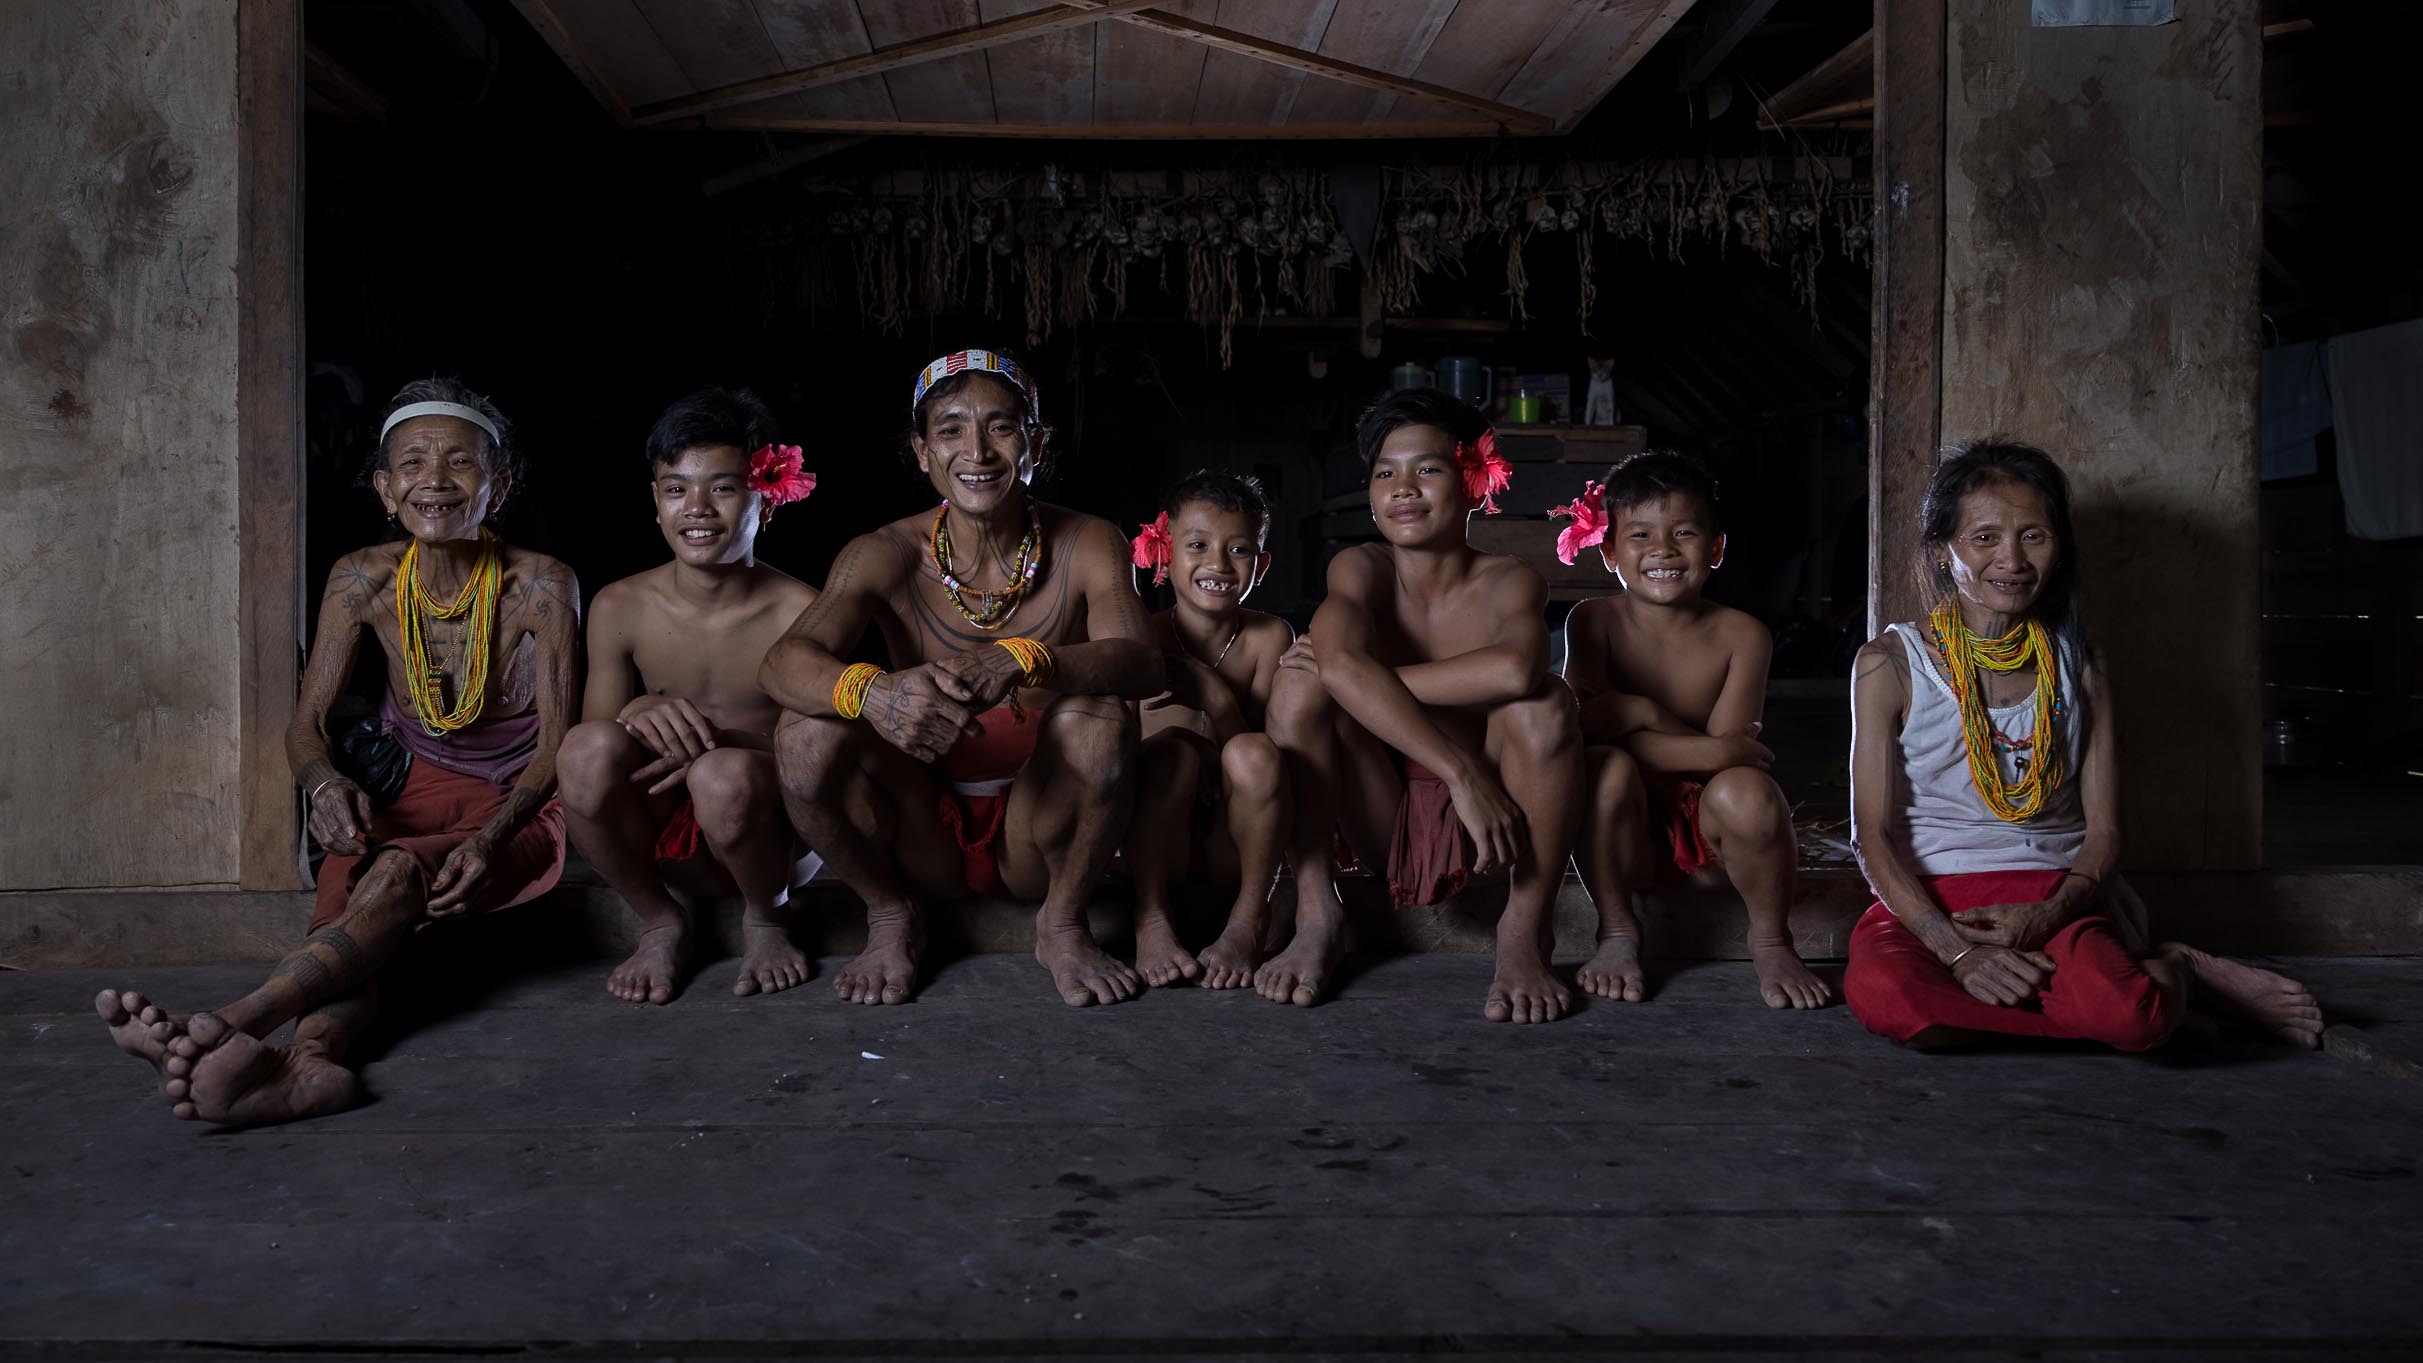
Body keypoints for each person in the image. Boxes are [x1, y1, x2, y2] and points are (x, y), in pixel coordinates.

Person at [96, 378, 578, 1125]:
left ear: (500, 483)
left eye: (460, 462)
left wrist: (491, 838)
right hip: (404, 789)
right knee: (362, 917)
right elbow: (306, 725)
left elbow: (557, 743)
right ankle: (310, 1063)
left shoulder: (542, 585)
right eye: (413, 463)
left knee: (388, 877)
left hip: (513, 806)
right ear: (386, 489)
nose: (436, 481)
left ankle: (231, 1020)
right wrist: (322, 784)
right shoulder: (362, 579)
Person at [1844, 439, 2322, 1051]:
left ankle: (2179, 972)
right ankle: (2140, 990)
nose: (2011, 560)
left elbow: (2103, 834)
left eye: (2034, 536)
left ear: (2059, 547)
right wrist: (1956, 950)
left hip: (2050, 894)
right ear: (1943, 552)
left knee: (2132, 1019)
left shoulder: (2080, 664)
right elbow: (1871, 835)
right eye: (1984, 538)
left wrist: (2050, 914)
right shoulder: (1889, 665)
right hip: (1928, 903)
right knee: (1897, 1003)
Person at [759, 349, 1166, 1007]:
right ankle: (891, 913)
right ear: (922, 451)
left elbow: (1144, 662)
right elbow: (782, 661)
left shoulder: (1089, 540)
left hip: (1042, 824)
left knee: (1104, 716)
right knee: (803, 732)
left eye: (1000, 426)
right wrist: (873, 690)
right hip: (924, 820)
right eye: (950, 429)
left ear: (1035, 441)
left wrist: (1027, 656)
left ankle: (1061, 921)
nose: (976, 449)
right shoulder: (883, 550)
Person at [1258, 388, 1580, 1022]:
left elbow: (1516, 667)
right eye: (1385, 473)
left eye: (1427, 469)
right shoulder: (1360, 568)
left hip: (1497, 823)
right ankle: (1321, 913)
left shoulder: (1510, 579)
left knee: (1544, 702)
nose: (1403, 488)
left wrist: (1360, 678)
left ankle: (1523, 931)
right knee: (1299, 685)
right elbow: (1339, 666)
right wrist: (1458, 771)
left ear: (1472, 481)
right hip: (1383, 809)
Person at [559, 388, 820, 1005]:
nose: (697, 508)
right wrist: (635, 711)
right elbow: (593, 748)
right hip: (663, 831)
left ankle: (765, 919)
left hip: (770, 837)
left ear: (766, 498)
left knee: (722, 775)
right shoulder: (619, 605)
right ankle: (658, 920)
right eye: (676, 489)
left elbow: (818, 758)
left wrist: (719, 743)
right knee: (583, 752)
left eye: (723, 488)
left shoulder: (804, 611)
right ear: (656, 501)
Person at [1555, 452, 1832, 1009]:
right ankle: (1617, 929)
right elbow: (1585, 735)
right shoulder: (1593, 621)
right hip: (1622, 829)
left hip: (1710, 838)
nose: (1662, 549)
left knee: (1750, 792)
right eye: (1640, 534)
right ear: (1609, 551)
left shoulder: (1743, 635)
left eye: (1684, 531)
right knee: (1602, 769)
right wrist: (1675, 731)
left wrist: (1638, 715)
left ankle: (1771, 938)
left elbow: (1728, 759)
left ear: (1715, 548)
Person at [1122, 472, 1295, 988]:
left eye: (1239, 550)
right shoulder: (1140, 638)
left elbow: (1269, 765)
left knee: (1253, 752)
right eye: (1197, 545)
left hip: (1235, 844)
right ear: (1163, 552)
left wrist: (1216, 698)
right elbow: (1120, 755)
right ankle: (1150, 916)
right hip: (1157, 844)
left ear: (1260, 566)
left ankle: (1248, 917)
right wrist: (1189, 747)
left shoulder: (1269, 639)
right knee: (1172, 752)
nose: (1218, 564)